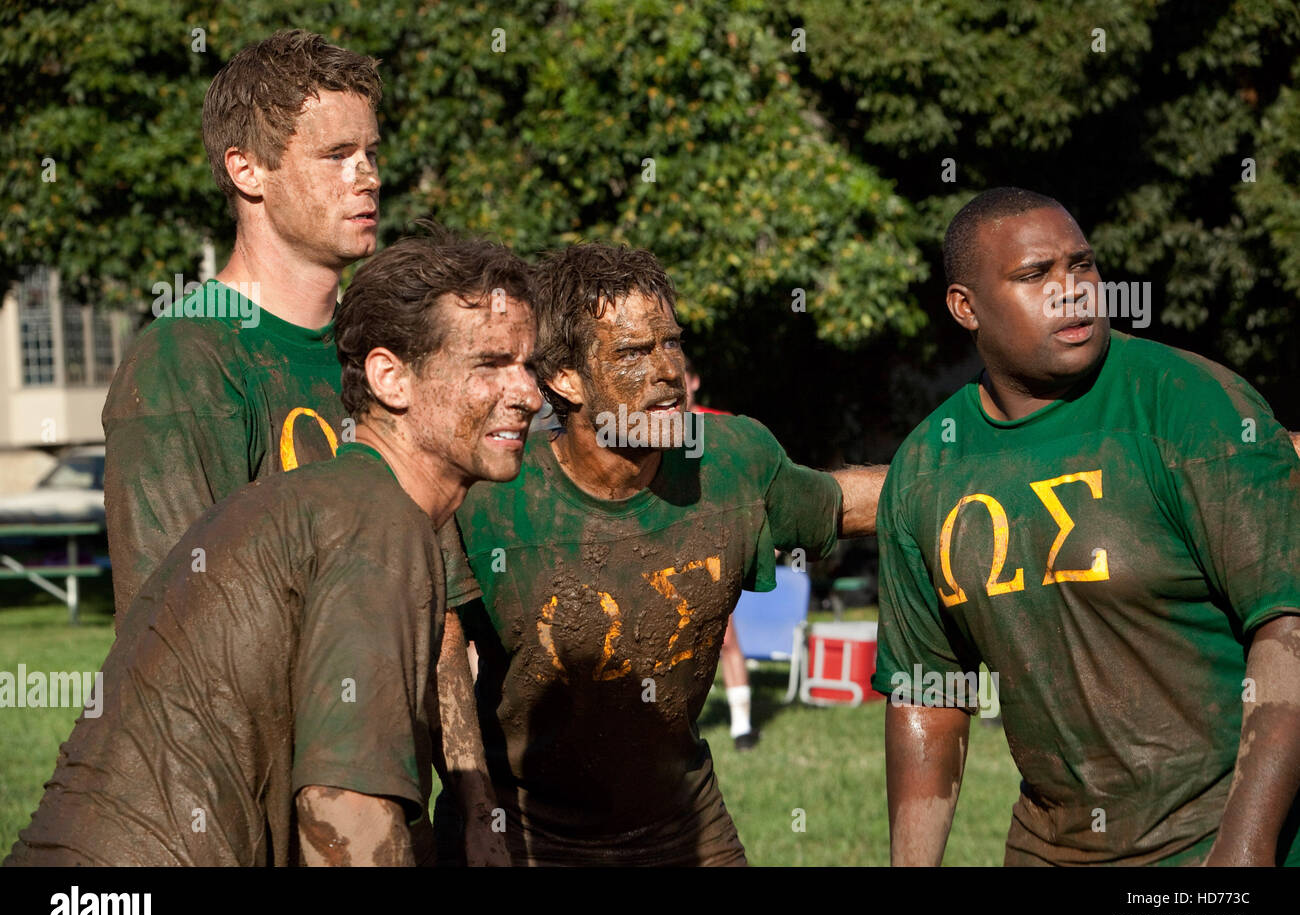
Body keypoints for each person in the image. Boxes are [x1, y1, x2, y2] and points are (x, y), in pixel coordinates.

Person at [4, 230, 540, 866]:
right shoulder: (376, 521)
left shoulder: (342, 501)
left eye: (528, 365)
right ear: (390, 378)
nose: (528, 393)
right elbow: (344, 817)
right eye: (490, 365)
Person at [873, 186, 1300, 866]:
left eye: (1083, 266)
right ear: (966, 307)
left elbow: (1288, 625)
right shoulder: (928, 463)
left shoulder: (1191, 405)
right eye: (1035, 275)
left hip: (1218, 842)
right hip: (1049, 846)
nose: (1072, 292)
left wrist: (1245, 851)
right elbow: (932, 689)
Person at [436, 243, 886, 865]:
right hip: (529, 831)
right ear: (565, 379)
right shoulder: (491, 493)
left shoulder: (731, 460)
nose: (668, 370)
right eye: (632, 352)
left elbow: (841, 503)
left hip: (682, 819)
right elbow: (441, 654)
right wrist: (476, 810)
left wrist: (970, 481)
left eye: (671, 343)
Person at [103, 29, 384, 621]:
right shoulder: (181, 362)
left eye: (370, 154)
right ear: (247, 170)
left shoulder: (379, 347)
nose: (367, 176)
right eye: (336, 155)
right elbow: (174, 635)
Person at [683, 353, 759, 750]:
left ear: (694, 381)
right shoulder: (649, 431)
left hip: (714, 544)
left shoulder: (721, 427)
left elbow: (743, 485)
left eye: (683, 377)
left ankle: (742, 726)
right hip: (670, 548)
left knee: (725, 636)